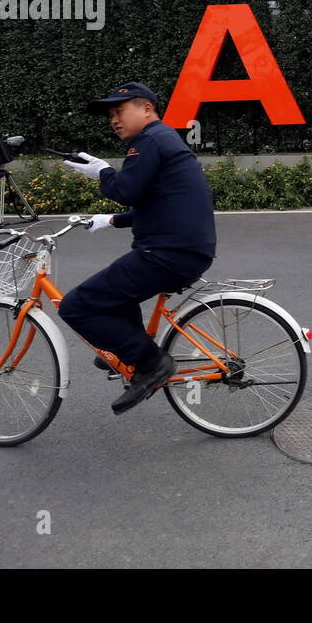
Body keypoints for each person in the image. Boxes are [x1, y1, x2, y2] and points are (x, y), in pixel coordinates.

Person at [57, 82, 217, 415]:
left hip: (167, 254)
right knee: (117, 294)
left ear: (147, 109)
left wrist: (101, 170)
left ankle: (149, 361)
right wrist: (110, 221)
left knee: (75, 306)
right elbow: (160, 201)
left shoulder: (149, 141)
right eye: (111, 114)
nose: (114, 119)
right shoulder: (161, 139)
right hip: (182, 250)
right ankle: (128, 350)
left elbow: (127, 189)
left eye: (120, 111)